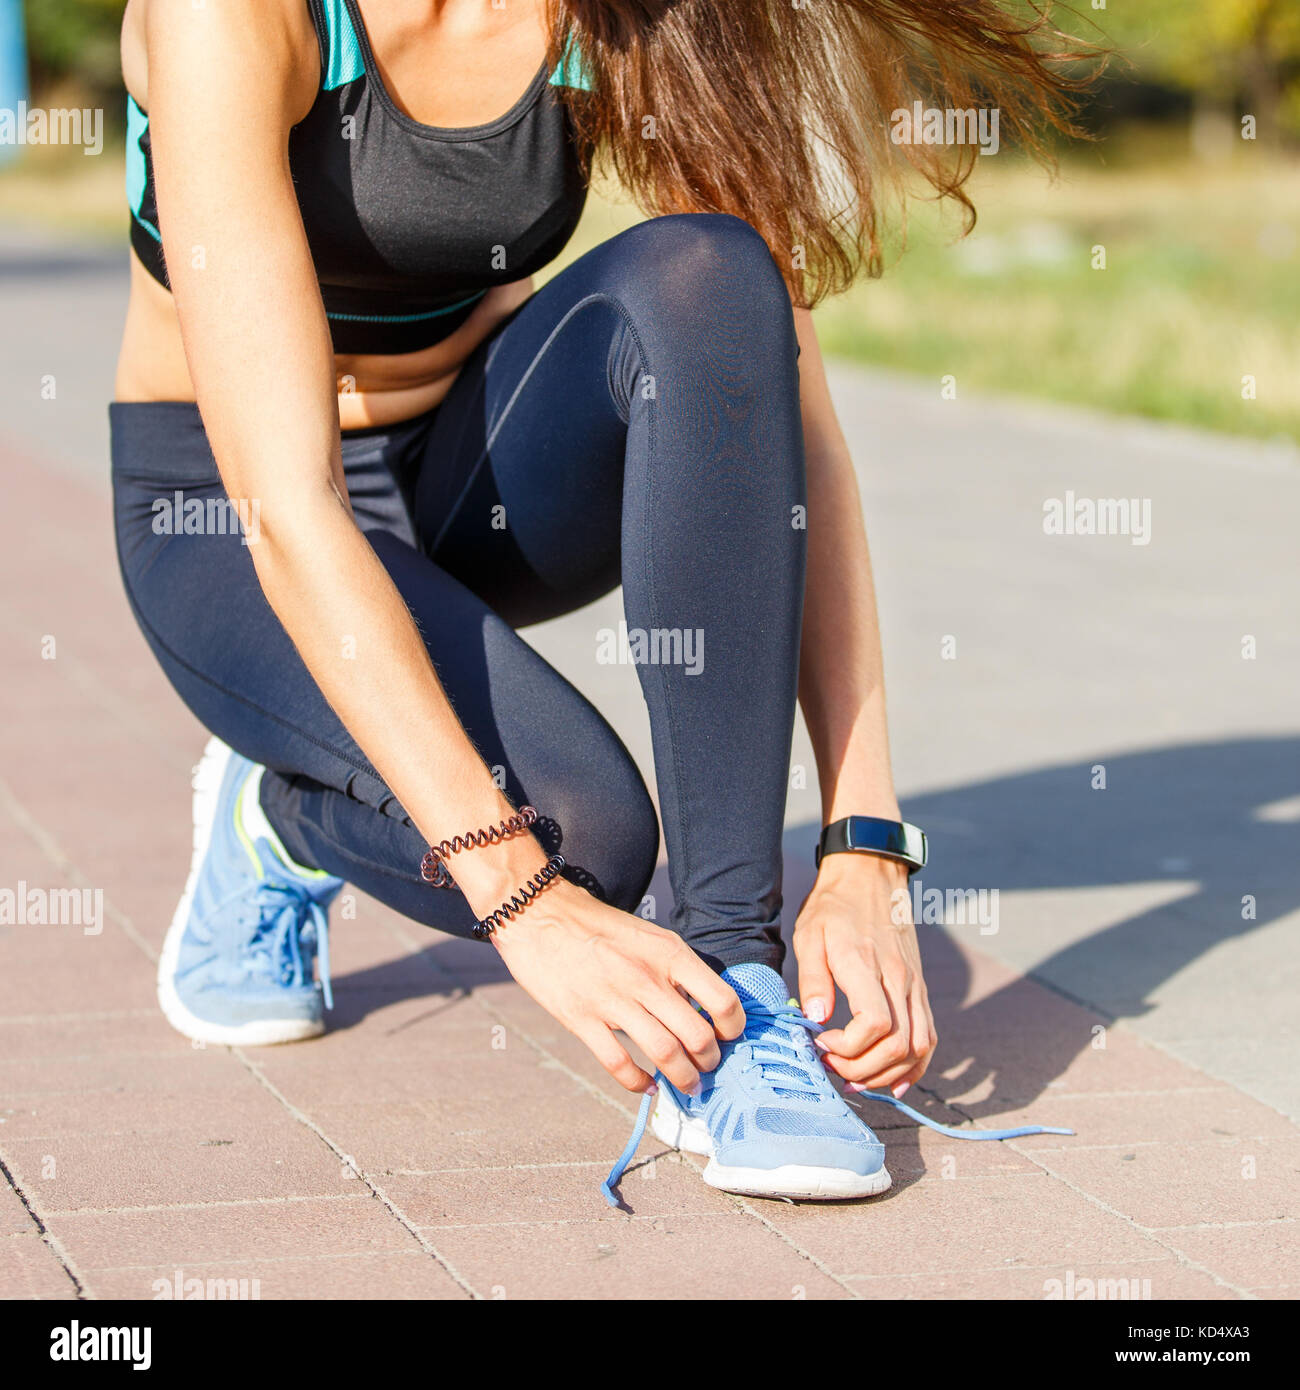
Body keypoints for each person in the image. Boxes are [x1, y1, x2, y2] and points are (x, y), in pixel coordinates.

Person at [112, 0, 1089, 1202]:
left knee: (712, 274)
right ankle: (278, 817)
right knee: (580, 838)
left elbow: (795, 431)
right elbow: (287, 500)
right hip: (228, 507)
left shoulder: (623, 14)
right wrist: (522, 900)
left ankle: (738, 984)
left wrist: (864, 843)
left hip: (466, 478)